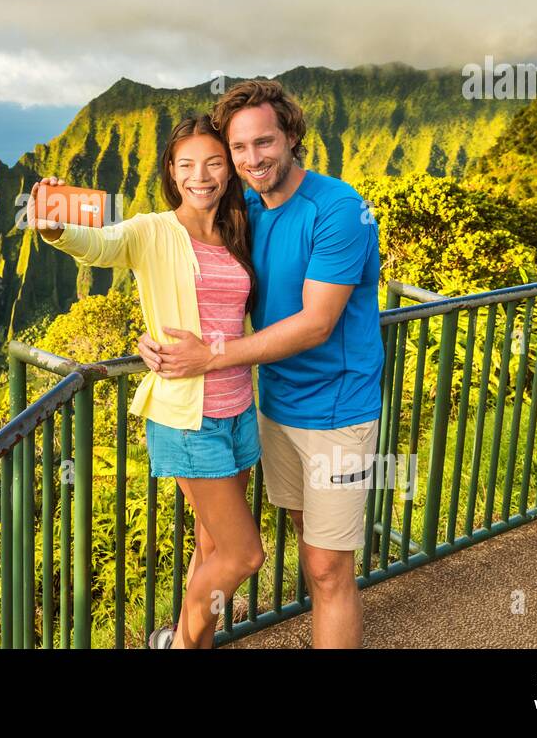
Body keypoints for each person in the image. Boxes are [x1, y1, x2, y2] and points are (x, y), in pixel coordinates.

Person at [139, 79, 383, 649]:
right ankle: (186, 642)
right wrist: (154, 338)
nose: (252, 159)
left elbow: (317, 323)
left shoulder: (339, 210)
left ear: (291, 136)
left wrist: (210, 356)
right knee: (256, 539)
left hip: (338, 410)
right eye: (239, 149)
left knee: (327, 567)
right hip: (272, 406)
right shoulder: (242, 208)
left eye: (264, 142)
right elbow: (187, 273)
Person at [28, 114, 264, 649]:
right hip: (187, 419)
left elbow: (235, 319)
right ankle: (181, 645)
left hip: (239, 410)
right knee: (244, 553)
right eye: (187, 165)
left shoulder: (238, 229)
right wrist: (52, 226)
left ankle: (188, 642)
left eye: (213, 163)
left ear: (229, 169)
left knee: (211, 547)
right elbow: (99, 244)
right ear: (171, 172)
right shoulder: (152, 229)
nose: (200, 176)